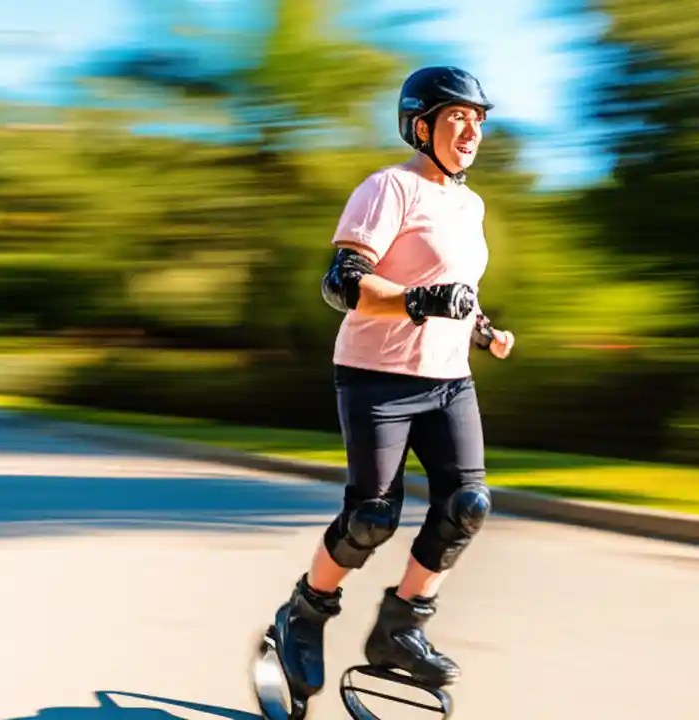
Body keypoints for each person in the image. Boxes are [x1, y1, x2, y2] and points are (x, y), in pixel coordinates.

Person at [265, 65, 515, 705]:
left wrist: (483, 329)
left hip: (448, 380)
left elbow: (460, 287)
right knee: (372, 517)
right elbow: (343, 286)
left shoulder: (469, 203)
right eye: (458, 118)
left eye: (478, 119)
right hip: (377, 378)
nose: (472, 131)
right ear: (421, 125)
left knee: (468, 506)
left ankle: (402, 626)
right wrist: (424, 300)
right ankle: (307, 611)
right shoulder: (387, 189)